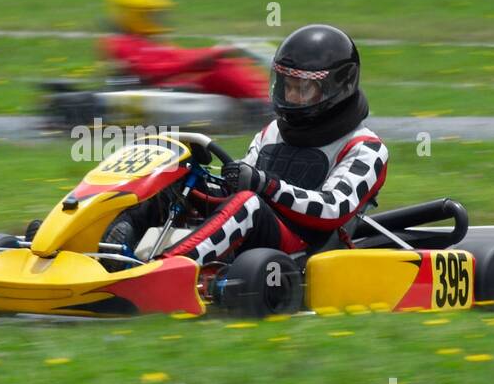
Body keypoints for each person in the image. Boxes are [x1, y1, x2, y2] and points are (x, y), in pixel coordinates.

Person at [161, 24, 389, 263]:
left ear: (337, 88)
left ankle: (168, 269)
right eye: (287, 86)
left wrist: (266, 185)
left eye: (302, 88)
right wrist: (196, 176)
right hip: (259, 234)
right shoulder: (272, 131)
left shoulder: (365, 148)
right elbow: (236, 191)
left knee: (248, 204)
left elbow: (333, 209)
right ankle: (122, 250)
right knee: (173, 176)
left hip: (307, 251)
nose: (291, 96)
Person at [101, 0, 267, 101]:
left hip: (166, 86)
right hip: (154, 91)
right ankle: (265, 105)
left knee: (226, 64)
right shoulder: (121, 44)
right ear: (132, 15)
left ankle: (266, 99)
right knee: (221, 71)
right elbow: (165, 66)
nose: (160, 18)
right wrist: (216, 53)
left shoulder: (143, 41)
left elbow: (174, 57)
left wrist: (220, 54)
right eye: (153, 15)